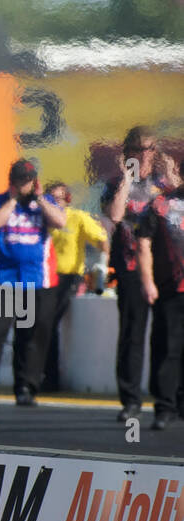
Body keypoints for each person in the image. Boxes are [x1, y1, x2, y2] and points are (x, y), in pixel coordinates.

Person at [102, 126, 181, 421]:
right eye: (138, 149)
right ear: (128, 152)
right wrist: (126, 178)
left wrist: (171, 173)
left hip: (165, 270)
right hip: (131, 266)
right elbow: (115, 215)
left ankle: (169, 401)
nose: (144, 155)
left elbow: (179, 203)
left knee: (170, 338)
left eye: (149, 149)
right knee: (132, 336)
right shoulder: (116, 185)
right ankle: (131, 401)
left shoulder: (164, 185)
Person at [0, 159, 66, 406]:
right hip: (5, 280)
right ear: (12, 182)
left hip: (36, 280)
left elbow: (60, 222)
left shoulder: (44, 202)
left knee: (32, 335)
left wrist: (39, 199)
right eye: (21, 181)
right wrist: (13, 200)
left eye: (28, 181)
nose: (25, 185)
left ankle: (26, 386)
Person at [45, 181, 109, 392]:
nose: (56, 203)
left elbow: (102, 240)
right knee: (42, 324)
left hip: (69, 276)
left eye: (60, 198)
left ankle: (51, 377)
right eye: (51, 199)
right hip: (45, 275)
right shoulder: (43, 218)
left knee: (51, 321)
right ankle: (46, 375)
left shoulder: (78, 217)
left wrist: (102, 264)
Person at [134, 183, 184, 429]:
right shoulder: (161, 205)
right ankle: (164, 407)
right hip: (170, 288)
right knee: (167, 348)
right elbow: (143, 242)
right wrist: (147, 281)